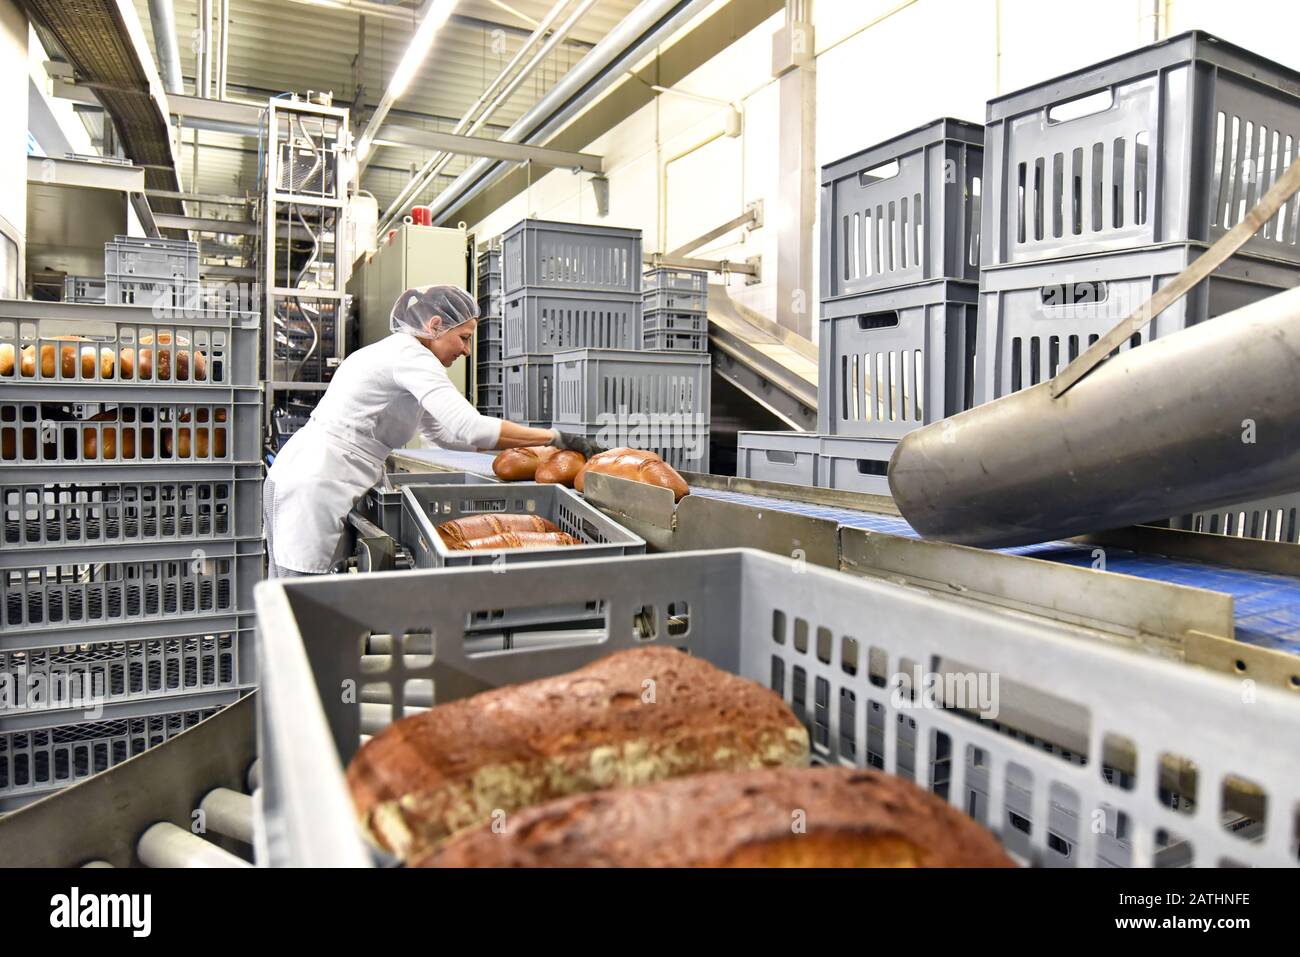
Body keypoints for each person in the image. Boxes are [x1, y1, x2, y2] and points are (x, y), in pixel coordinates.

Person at [263, 284, 601, 577]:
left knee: (301, 605)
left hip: (316, 477)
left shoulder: (402, 357)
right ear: (436, 325)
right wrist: (554, 437)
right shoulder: (410, 356)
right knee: (302, 610)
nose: (467, 350)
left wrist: (527, 453)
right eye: (464, 338)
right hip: (316, 486)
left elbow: (446, 436)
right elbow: (469, 427)